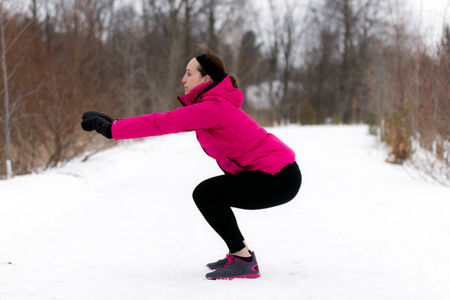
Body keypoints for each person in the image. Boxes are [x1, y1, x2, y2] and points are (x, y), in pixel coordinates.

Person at [81, 47, 302, 280]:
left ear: (206, 79)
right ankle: (242, 254)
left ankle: (244, 260)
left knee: (206, 194)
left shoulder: (213, 107)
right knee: (212, 194)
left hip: (278, 177)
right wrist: (115, 124)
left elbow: (163, 122)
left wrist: (112, 128)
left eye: (188, 73)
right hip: (277, 174)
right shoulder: (215, 104)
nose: (183, 79)